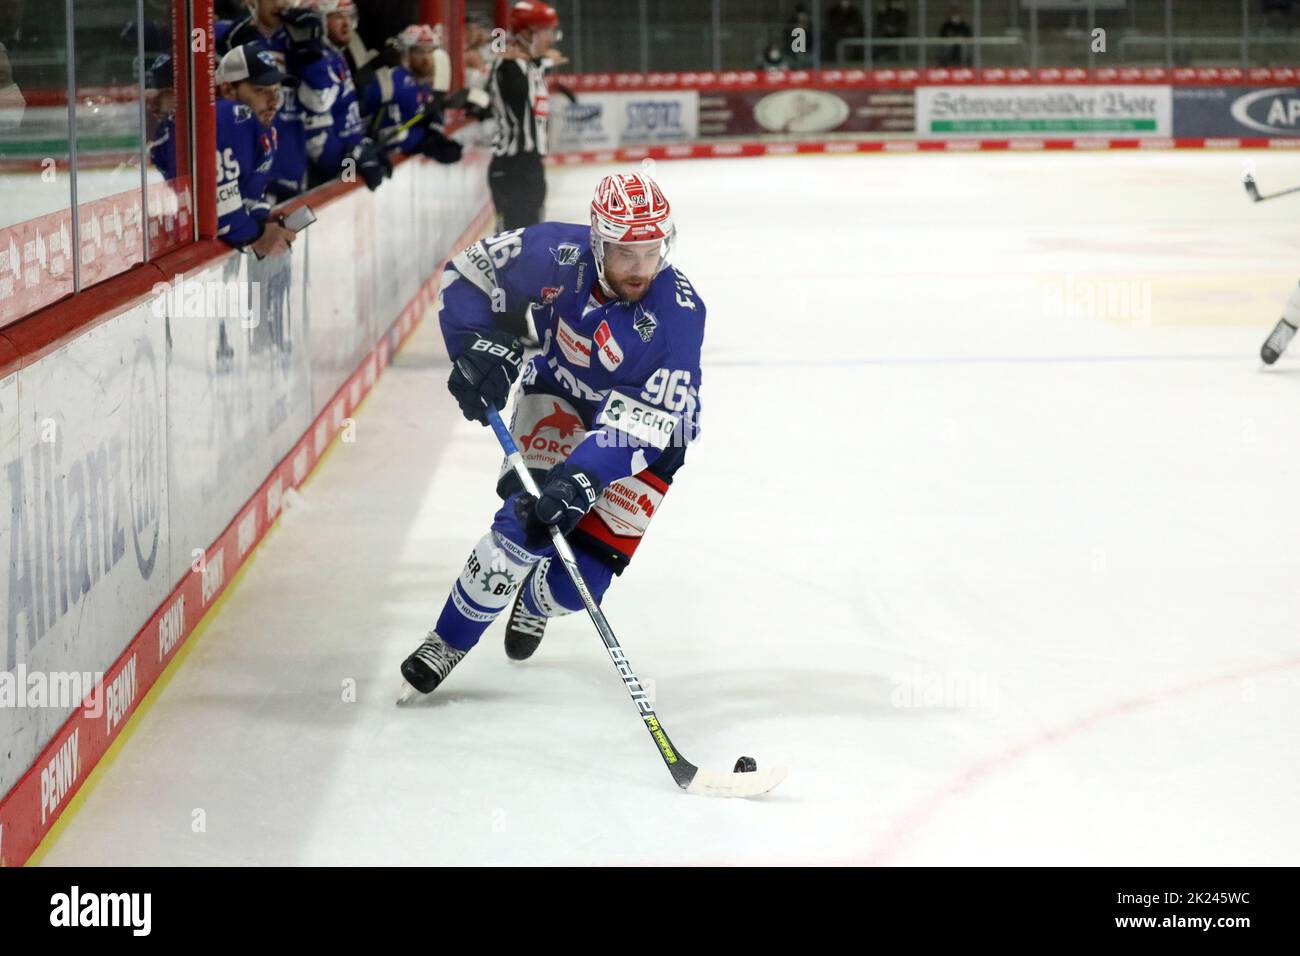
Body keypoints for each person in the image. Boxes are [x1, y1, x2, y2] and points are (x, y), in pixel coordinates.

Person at [399, 172, 705, 696]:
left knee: (575, 586)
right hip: (557, 395)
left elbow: (651, 423)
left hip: (640, 442)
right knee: (523, 525)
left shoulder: (678, 314)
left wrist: (582, 478)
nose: (640, 268)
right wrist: (475, 347)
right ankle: (447, 641)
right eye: (626, 253)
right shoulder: (553, 252)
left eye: (651, 250)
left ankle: (536, 601)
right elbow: (468, 274)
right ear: (597, 241)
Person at [218, 0, 322, 203]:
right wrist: (222, 52)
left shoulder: (300, 37)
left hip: (292, 174)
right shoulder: (225, 33)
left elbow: (322, 101)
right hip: (242, 179)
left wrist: (314, 54)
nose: (281, 4)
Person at [214, 41, 298, 258]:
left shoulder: (265, 130)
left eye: (276, 92)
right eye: (260, 91)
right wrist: (258, 234)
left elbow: (250, 193)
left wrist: (262, 218)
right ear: (227, 89)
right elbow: (222, 215)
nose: (273, 102)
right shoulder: (220, 123)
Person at [297, 0, 389, 188]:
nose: (347, 24)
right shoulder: (315, 64)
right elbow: (316, 141)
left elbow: (345, 119)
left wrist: (363, 147)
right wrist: (351, 167)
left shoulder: (336, 56)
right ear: (319, 21)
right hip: (324, 177)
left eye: (350, 16)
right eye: (338, 16)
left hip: (343, 164)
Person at [486, 0, 562, 230]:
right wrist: (501, 44)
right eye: (547, 32)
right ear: (529, 34)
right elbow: (498, 50)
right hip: (512, 168)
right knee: (517, 244)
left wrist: (541, 59)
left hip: (528, 166)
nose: (552, 38)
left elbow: (536, 62)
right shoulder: (508, 66)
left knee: (532, 238)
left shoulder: (529, 65)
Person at [824, 0, 864, 66]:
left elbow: (858, 25)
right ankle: (835, 63)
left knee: (854, 44)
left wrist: (851, 30)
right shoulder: (833, 11)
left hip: (851, 36)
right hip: (836, 36)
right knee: (832, 42)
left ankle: (852, 64)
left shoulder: (854, 12)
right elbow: (831, 25)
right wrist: (841, 30)